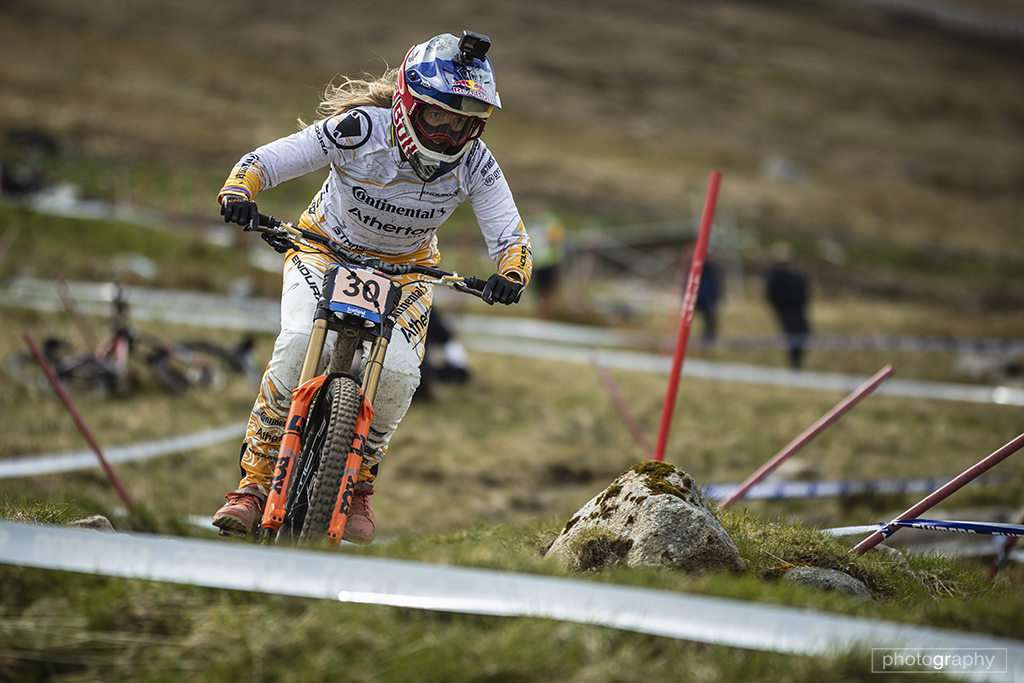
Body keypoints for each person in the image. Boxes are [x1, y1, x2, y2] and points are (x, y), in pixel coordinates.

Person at [211, 31, 533, 543]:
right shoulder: (359, 129)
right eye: (439, 118)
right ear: (408, 104)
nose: (449, 136)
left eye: (465, 123)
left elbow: (508, 231)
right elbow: (269, 160)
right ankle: (250, 488)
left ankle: (359, 482)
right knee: (296, 345)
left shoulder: (476, 162)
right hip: (323, 248)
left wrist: (512, 272)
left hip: (407, 273)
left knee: (402, 373)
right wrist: (240, 190)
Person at [764, 243, 810, 370]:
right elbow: (771, 294)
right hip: (785, 311)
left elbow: (803, 290)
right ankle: (794, 363)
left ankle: (797, 362)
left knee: (804, 333)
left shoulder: (796, 274)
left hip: (798, 310)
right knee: (792, 336)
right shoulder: (774, 275)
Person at [523, 201, 565, 320]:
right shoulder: (527, 222)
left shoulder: (549, 221)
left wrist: (548, 237)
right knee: (539, 291)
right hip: (536, 263)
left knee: (550, 290)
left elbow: (558, 238)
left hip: (550, 261)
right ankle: (541, 316)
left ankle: (549, 317)